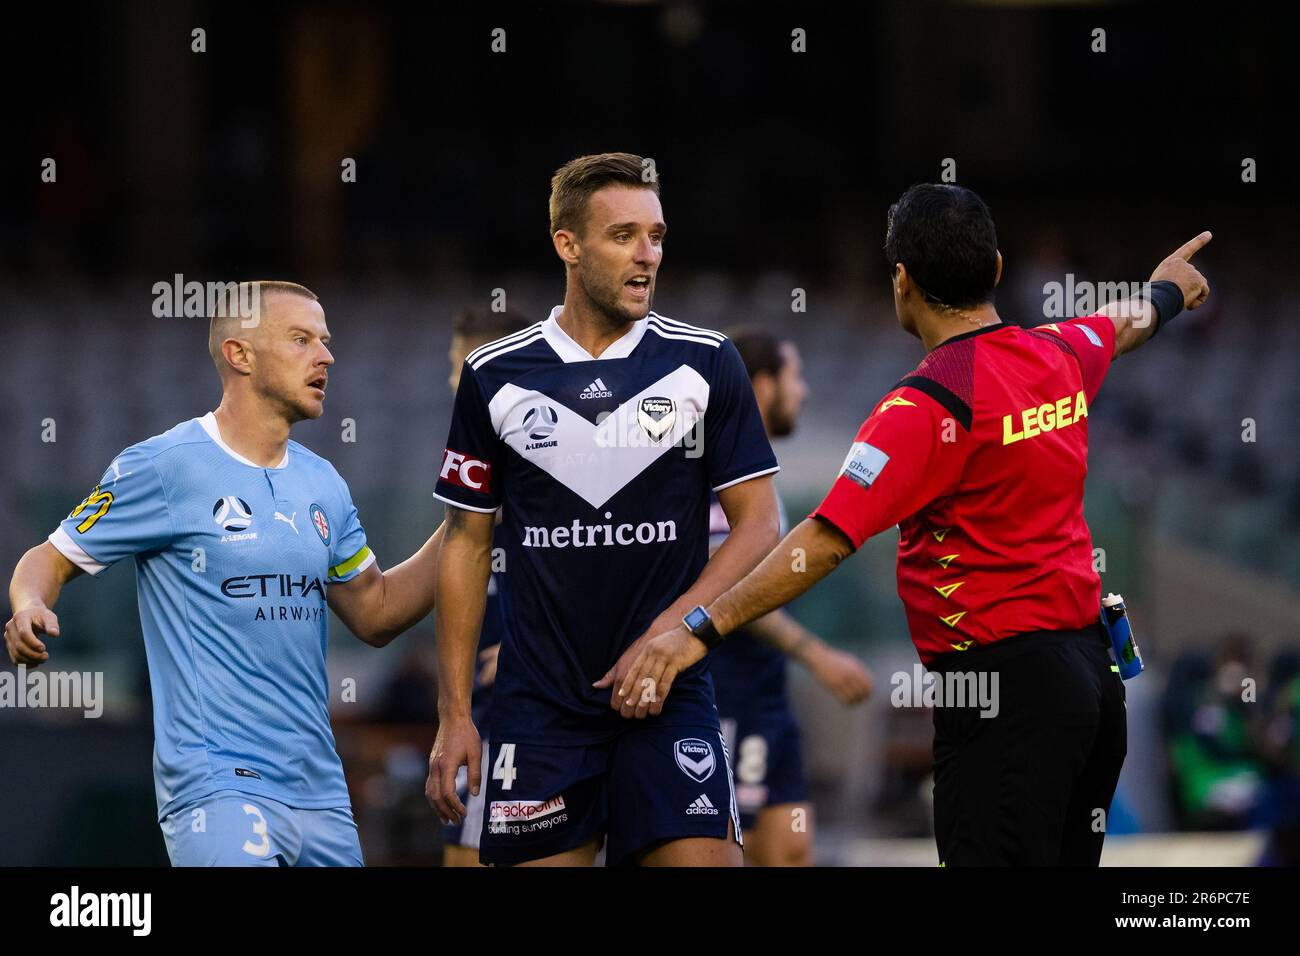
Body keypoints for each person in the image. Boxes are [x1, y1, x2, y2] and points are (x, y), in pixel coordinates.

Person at [609, 183, 1212, 866]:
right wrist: (1166, 292)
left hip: (1002, 696)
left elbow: (823, 543)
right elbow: (1125, 322)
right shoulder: (1059, 353)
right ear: (996, 270)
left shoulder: (922, 407)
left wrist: (700, 629)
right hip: (1093, 685)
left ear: (902, 282)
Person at [5, 281, 444, 866]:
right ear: (240, 355)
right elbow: (49, 557)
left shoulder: (324, 485)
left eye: (327, 341)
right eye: (301, 339)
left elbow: (377, 611)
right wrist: (30, 602)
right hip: (218, 782)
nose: (326, 356)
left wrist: (467, 520)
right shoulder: (163, 468)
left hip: (320, 791)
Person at [427, 152, 781, 866]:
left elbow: (760, 524)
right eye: (623, 235)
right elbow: (465, 546)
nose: (647, 254)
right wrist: (456, 714)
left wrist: (679, 632)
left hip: (669, 695)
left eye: (656, 235)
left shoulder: (706, 361)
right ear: (568, 245)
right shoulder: (496, 375)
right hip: (538, 712)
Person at [709, 326, 873, 866]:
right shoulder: (717, 474)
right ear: (761, 385)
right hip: (724, 695)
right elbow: (728, 591)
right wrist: (817, 655)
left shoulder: (759, 473)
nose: (802, 390)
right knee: (739, 848)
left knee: (790, 849)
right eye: (793, 376)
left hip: (766, 694)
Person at [439, 306, 534, 867]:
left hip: (533, 707)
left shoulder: (557, 455)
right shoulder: (474, 457)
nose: (453, 379)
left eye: (460, 364)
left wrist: (527, 647)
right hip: (482, 709)